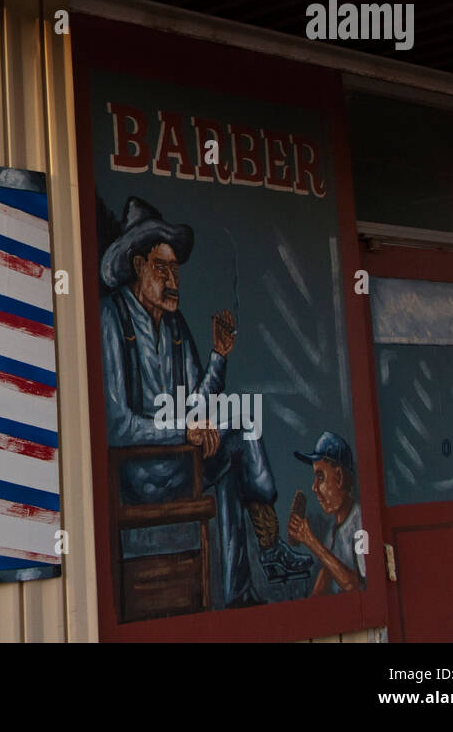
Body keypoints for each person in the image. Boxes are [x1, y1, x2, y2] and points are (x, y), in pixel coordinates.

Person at [100, 196, 313, 610]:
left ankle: (241, 590)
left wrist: (218, 357)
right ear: (139, 266)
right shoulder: (112, 319)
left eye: (176, 269)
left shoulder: (176, 327)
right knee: (230, 446)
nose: (173, 280)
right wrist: (187, 431)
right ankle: (267, 551)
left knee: (238, 435)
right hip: (138, 472)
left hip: (179, 463)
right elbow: (116, 425)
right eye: (162, 268)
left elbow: (196, 405)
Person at [287, 431, 365, 595]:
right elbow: (326, 574)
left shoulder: (361, 523)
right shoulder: (333, 531)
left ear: (339, 477)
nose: (314, 487)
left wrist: (311, 541)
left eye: (320, 477)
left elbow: (358, 586)